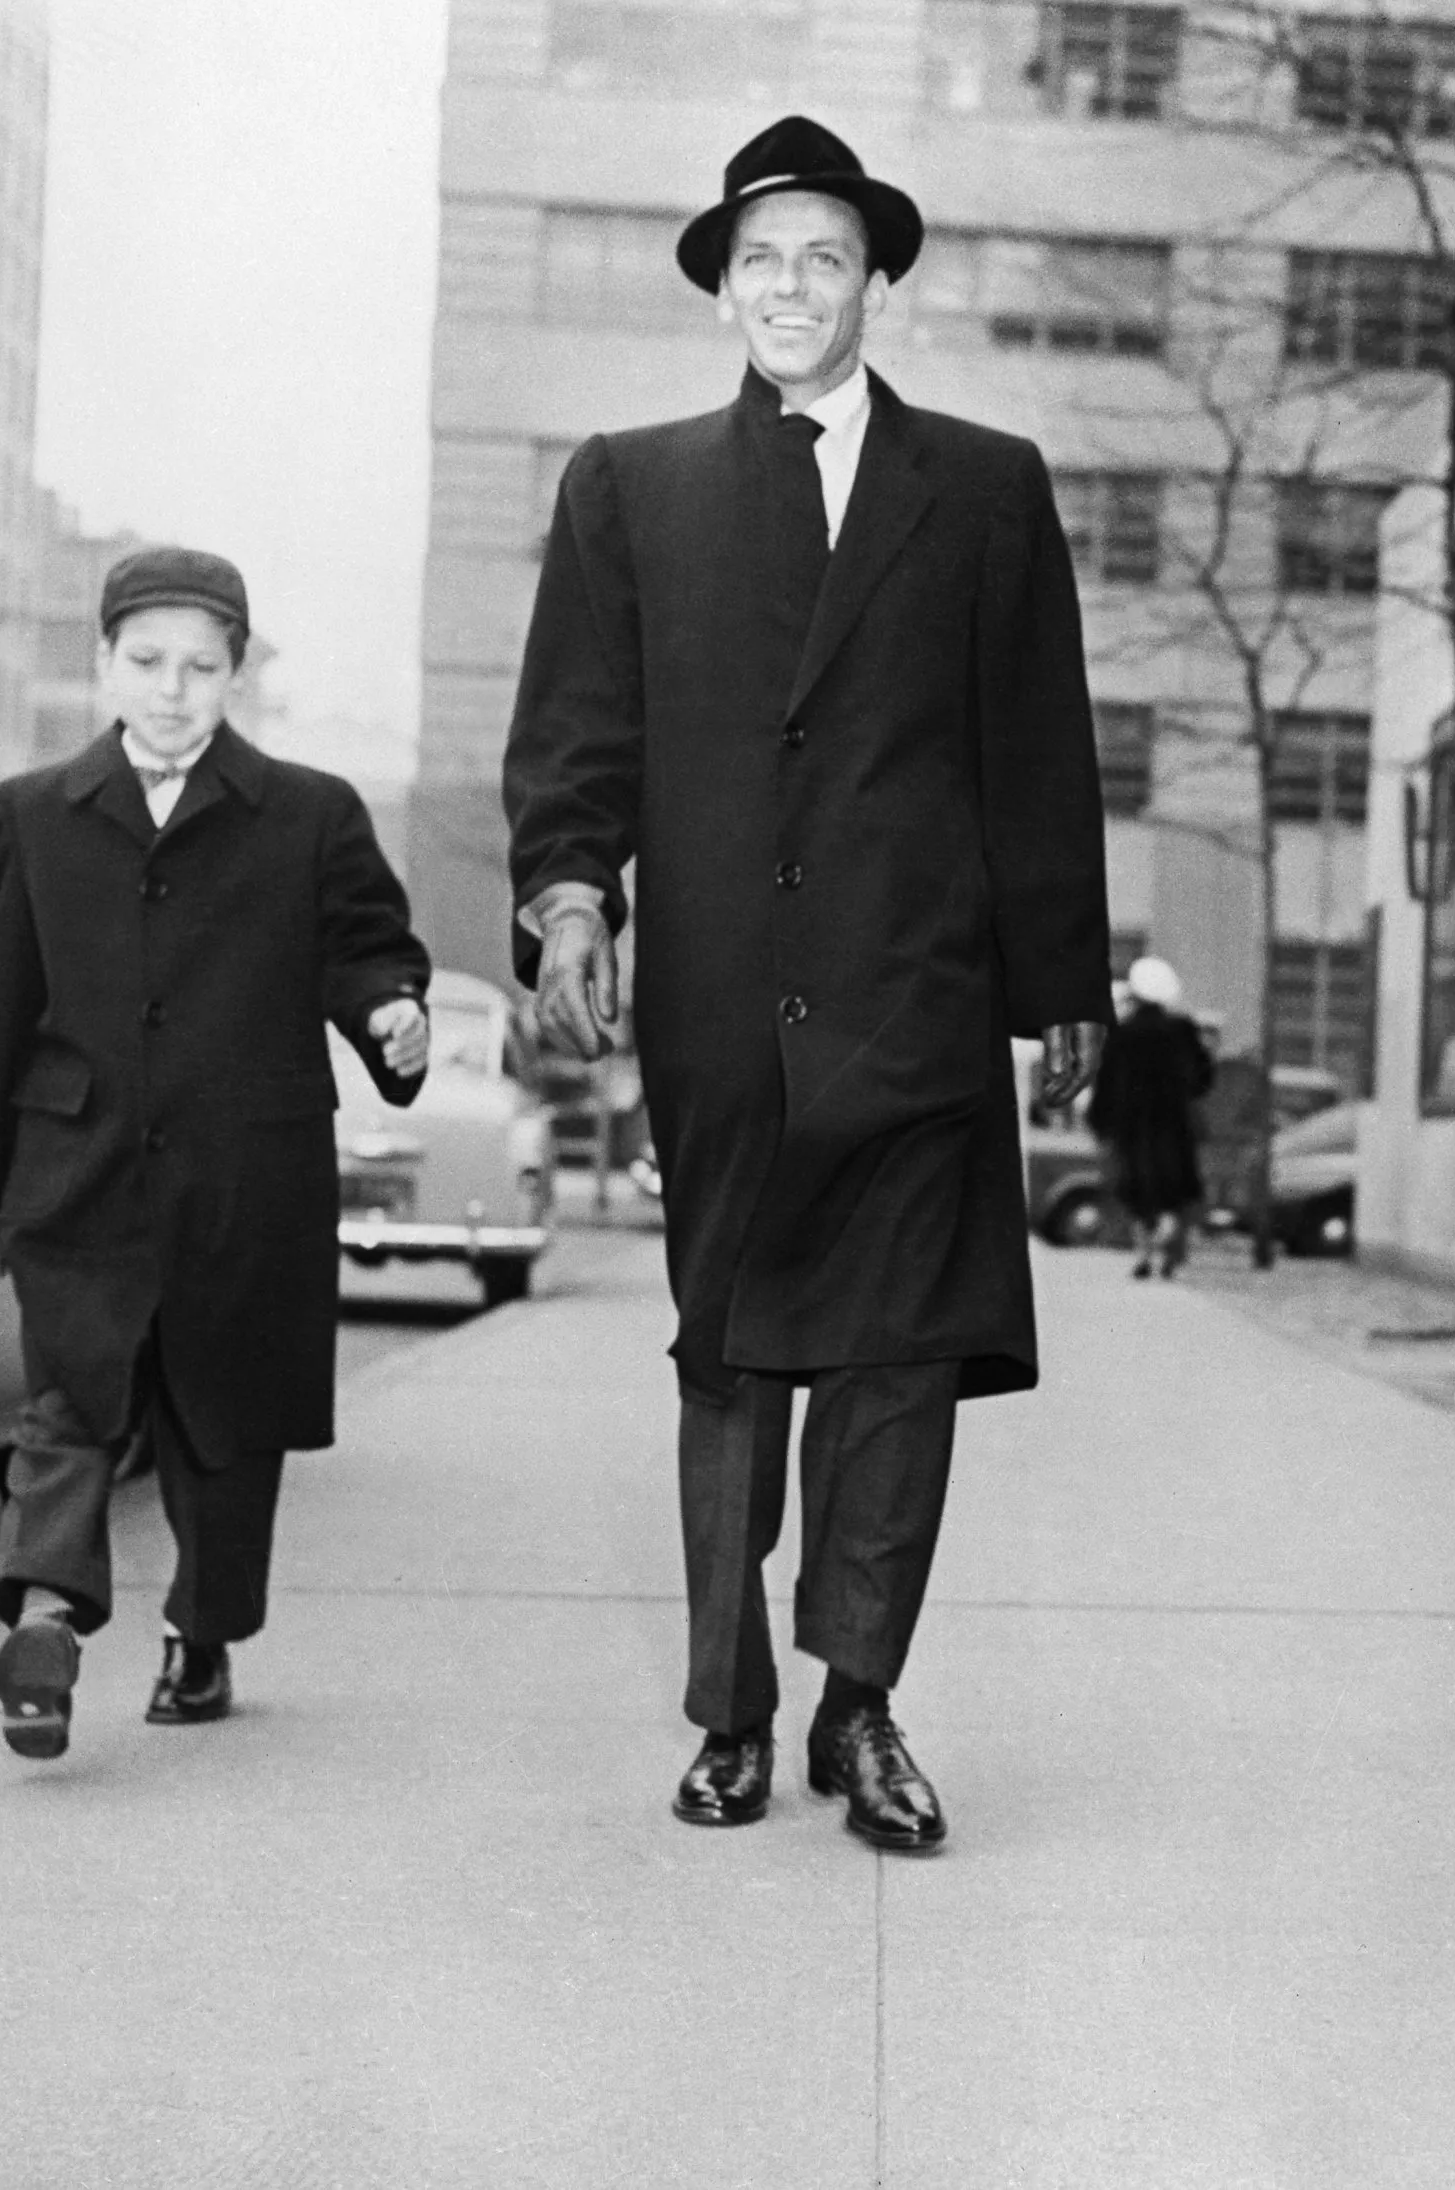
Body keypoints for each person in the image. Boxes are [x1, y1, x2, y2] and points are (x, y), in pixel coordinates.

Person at [502, 116, 1113, 1853]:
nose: (790, 287)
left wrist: (1061, 977)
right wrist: (569, 903)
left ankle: (858, 1702)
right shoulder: (628, 487)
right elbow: (575, 735)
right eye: (760, 259)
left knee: (897, 1365)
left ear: (872, 286)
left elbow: (1035, 749)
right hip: (722, 1008)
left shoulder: (984, 487)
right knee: (734, 1361)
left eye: (823, 259)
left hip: (921, 997)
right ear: (723, 290)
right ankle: (731, 1713)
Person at [0, 547, 432, 1760]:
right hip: (79, 1171)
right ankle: (46, 1621)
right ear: (104, 663)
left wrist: (390, 1012)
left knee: (226, 1422)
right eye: (148, 661)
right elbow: (1, 1008)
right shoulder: (33, 815)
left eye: (201, 667)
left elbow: (365, 949)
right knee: (68, 1403)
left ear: (237, 675)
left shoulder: (309, 815)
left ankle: (201, 1636)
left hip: (247, 1178)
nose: (172, 689)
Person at [1085, 957, 1213, 1278]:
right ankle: (1167, 1243)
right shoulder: (1182, 1030)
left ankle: (1144, 1253)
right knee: (1173, 1193)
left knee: (1138, 1193)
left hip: (1133, 1127)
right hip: (1174, 1125)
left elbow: (1106, 1083)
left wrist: (1099, 1121)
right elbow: (1203, 1077)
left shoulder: (1122, 1034)